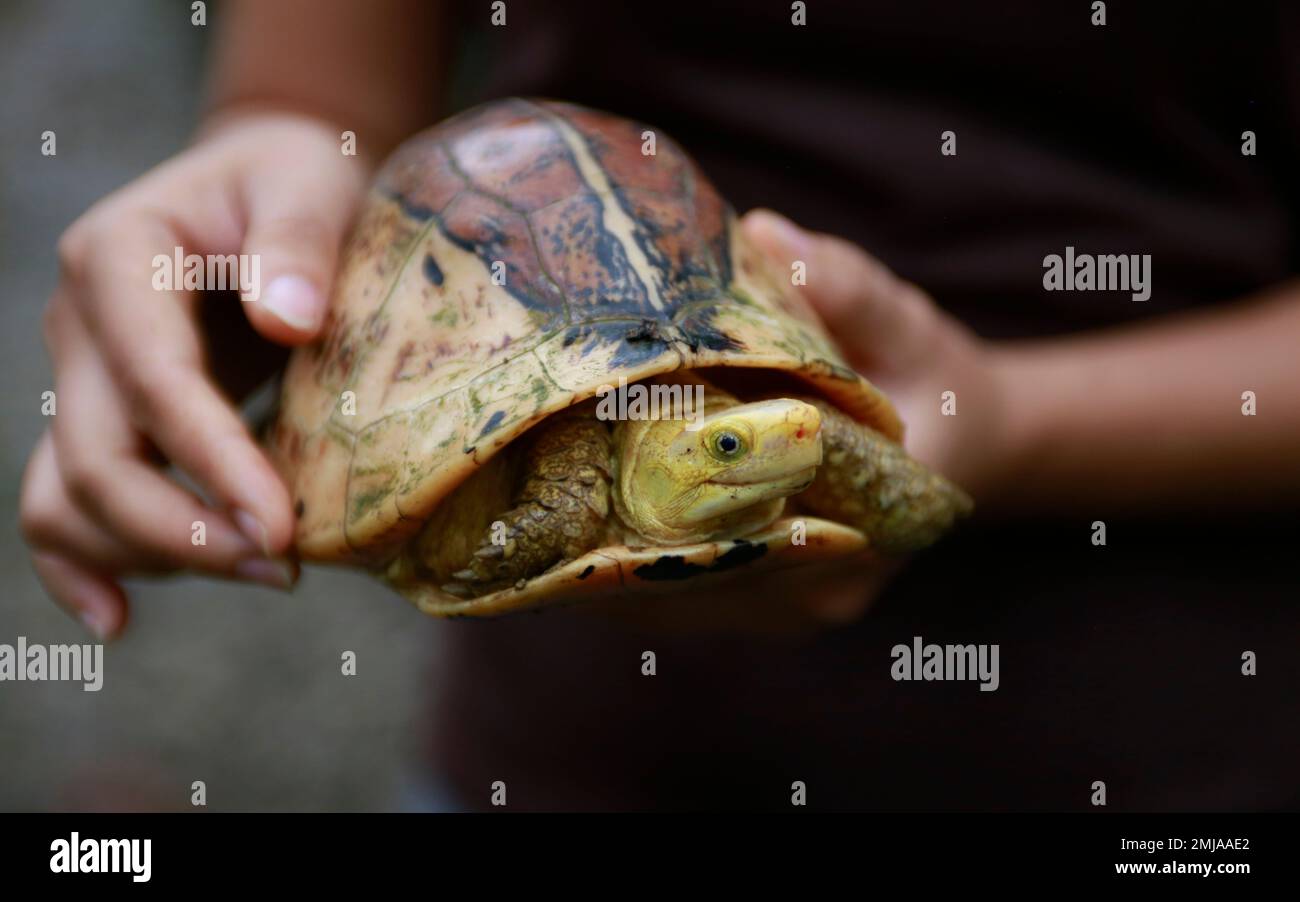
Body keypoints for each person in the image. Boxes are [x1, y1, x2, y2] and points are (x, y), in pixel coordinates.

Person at [20, 0, 1300, 809]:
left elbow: (829, 439)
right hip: (556, 757)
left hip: (1163, 745)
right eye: (735, 445)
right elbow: (322, 98)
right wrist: (271, 162)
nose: (794, 440)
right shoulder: (585, 467)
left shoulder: (803, 427)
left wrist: (1004, 428)